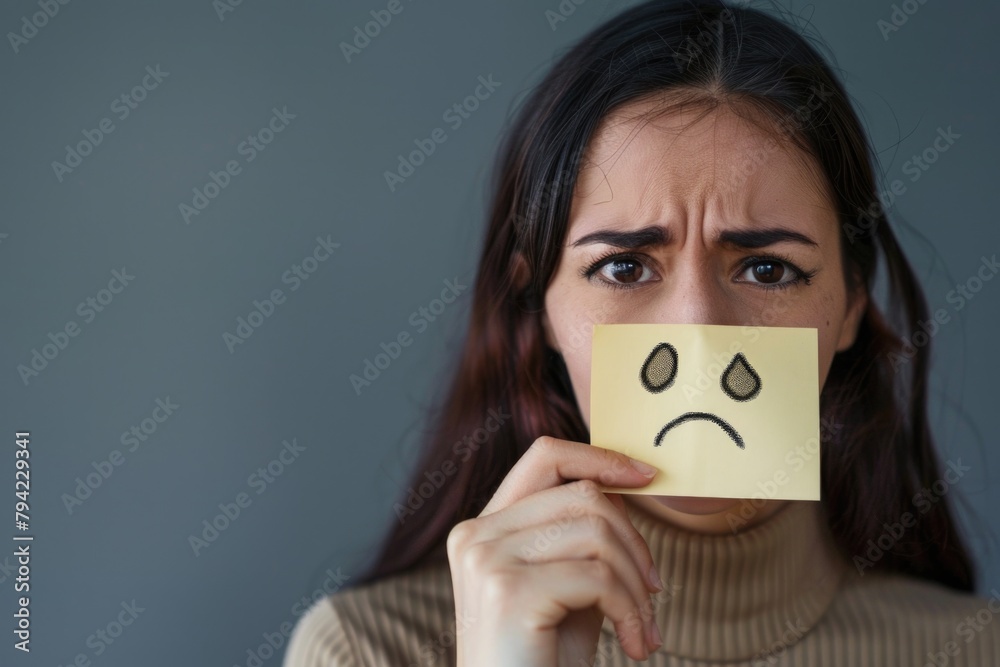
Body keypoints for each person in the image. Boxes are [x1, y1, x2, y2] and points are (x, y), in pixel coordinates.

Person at [284, 1, 999, 664]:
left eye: (768, 270)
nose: (697, 327)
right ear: (540, 308)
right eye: (624, 266)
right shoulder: (367, 650)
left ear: (850, 308)